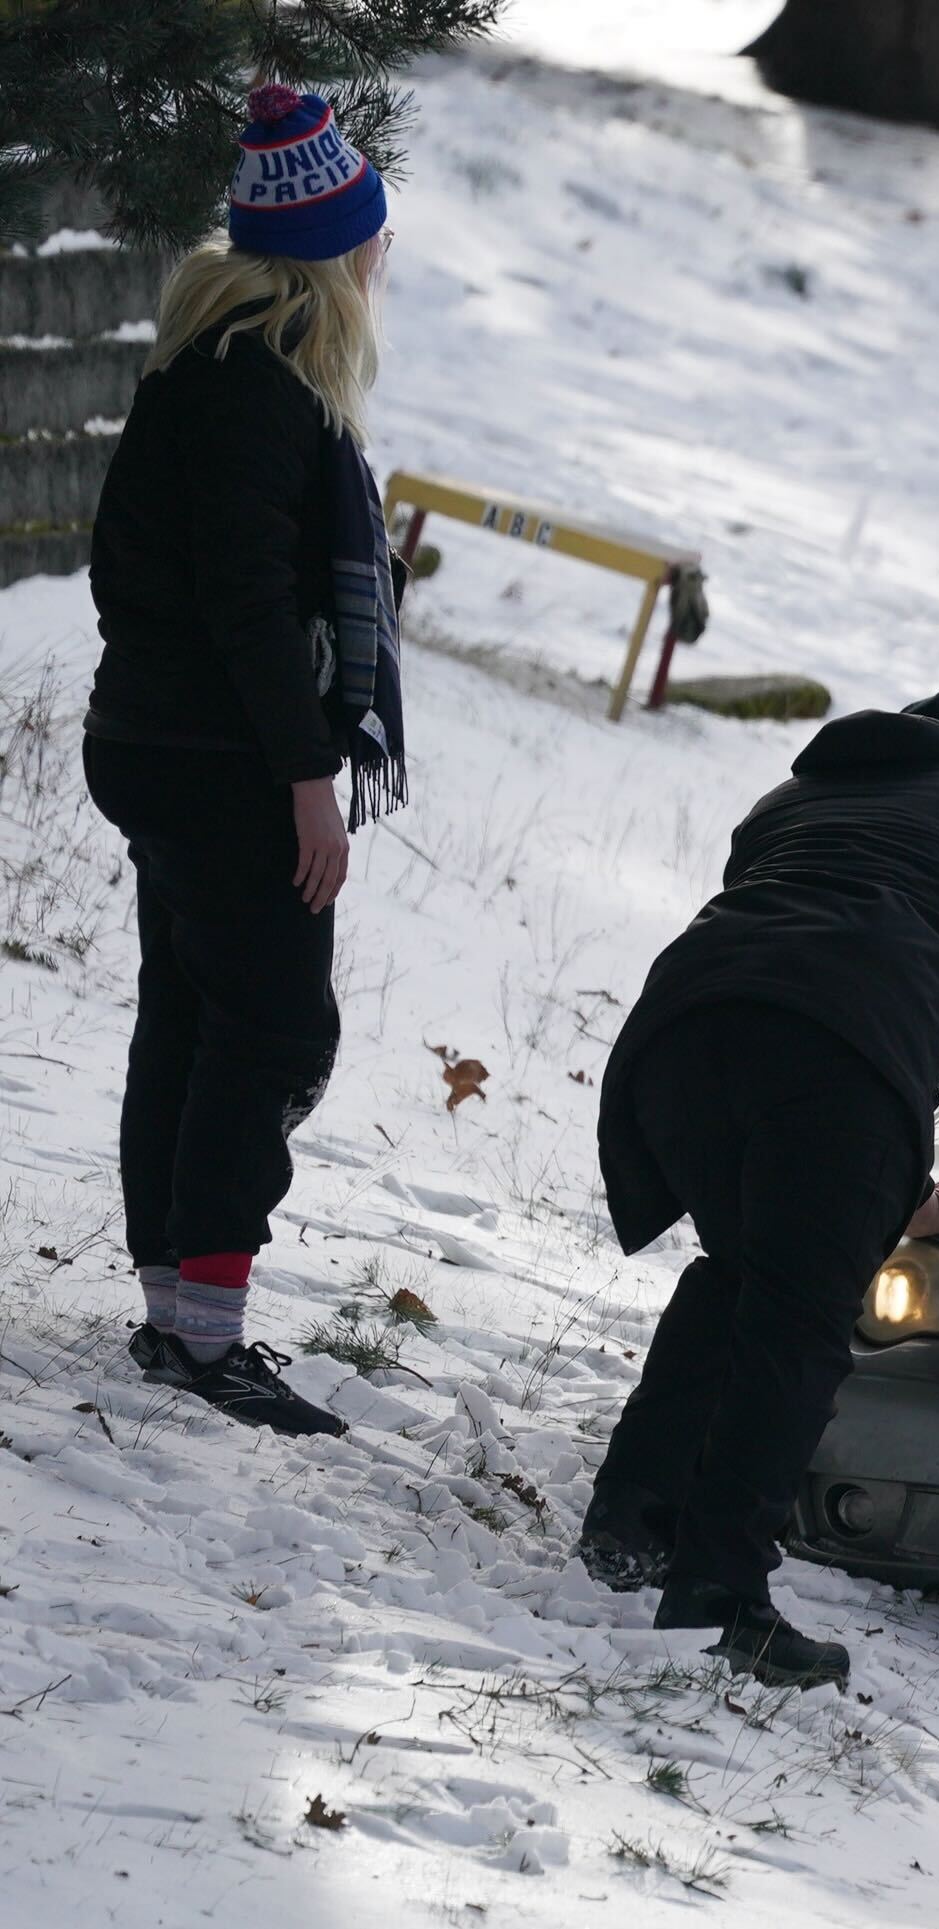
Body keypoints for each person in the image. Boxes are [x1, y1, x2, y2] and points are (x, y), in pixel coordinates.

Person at [580, 694, 939, 1687]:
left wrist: (890, 1193)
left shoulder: (786, 806)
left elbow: (801, 971)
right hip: (835, 1062)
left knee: (745, 1271)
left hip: (676, 1038)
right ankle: (720, 1597)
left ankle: (630, 1525)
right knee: (800, 1318)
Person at [85, 85, 409, 1439]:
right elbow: (242, 605)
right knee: (274, 1026)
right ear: (337, 250)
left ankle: (178, 1305)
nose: (385, 257)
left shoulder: (209, 370)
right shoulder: (260, 389)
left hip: (162, 743)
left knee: (197, 1011)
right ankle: (206, 1335)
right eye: (373, 236)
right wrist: (301, 776)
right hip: (215, 758)